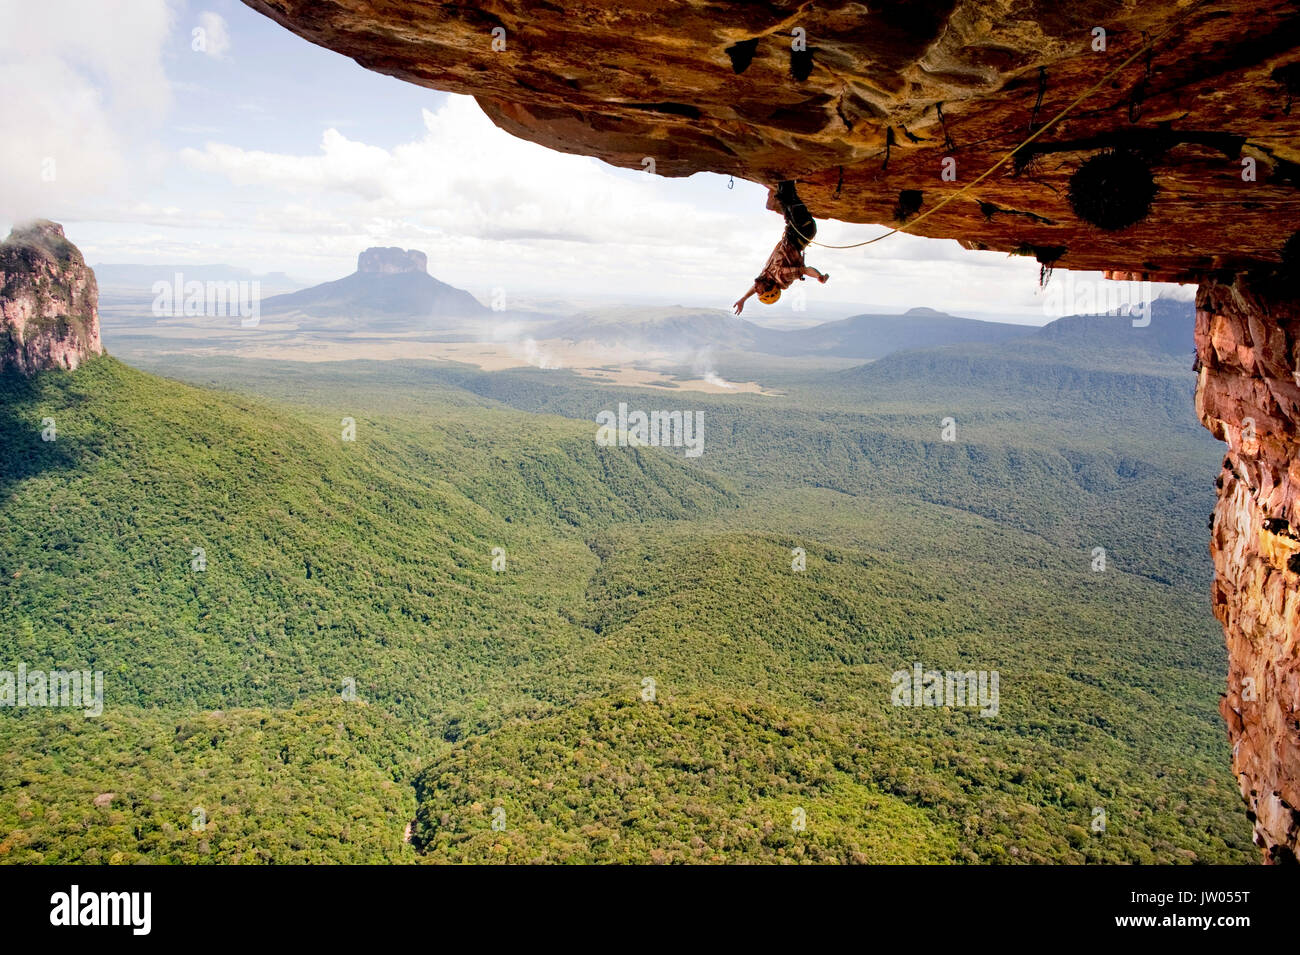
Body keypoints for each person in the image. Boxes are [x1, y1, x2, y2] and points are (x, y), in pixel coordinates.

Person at [733, 180, 828, 314]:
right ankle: (789, 169)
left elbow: (754, 288)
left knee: (782, 197)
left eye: (757, 291)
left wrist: (744, 298)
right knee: (788, 196)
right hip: (802, 230)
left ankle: (785, 175)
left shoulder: (766, 277)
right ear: (769, 288)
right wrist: (819, 276)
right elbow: (804, 270)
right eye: (759, 290)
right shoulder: (782, 276)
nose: (756, 288)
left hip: (793, 230)